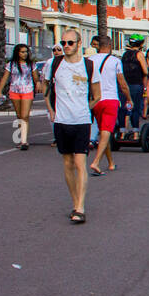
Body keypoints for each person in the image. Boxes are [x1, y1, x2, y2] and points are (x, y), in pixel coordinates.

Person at [43, 29, 97, 223]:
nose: (66, 46)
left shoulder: (89, 66)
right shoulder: (55, 64)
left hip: (81, 121)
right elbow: (46, 89)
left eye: (70, 43)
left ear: (79, 43)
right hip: (61, 122)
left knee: (80, 163)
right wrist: (51, 109)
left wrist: (84, 108)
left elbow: (97, 95)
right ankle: (75, 203)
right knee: (67, 163)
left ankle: (80, 207)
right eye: (63, 43)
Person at [87, 35, 131, 177]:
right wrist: (129, 98)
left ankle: (111, 162)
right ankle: (96, 162)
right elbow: (122, 84)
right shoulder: (115, 61)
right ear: (110, 45)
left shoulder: (90, 60)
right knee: (106, 131)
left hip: (96, 100)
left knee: (103, 132)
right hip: (110, 99)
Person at [0, 43, 40, 150]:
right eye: (22, 52)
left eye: (26, 52)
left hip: (27, 90)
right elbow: (4, 79)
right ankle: (22, 139)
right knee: (19, 115)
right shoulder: (11, 65)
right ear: (17, 53)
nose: (25, 54)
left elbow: (35, 77)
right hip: (14, 91)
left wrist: (38, 82)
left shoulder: (31, 65)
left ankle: (24, 141)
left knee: (25, 115)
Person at [118, 35, 148, 133]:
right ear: (141, 44)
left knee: (123, 107)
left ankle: (122, 130)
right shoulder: (139, 54)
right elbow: (145, 71)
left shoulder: (125, 54)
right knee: (135, 107)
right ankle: (135, 131)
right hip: (136, 84)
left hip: (124, 85)